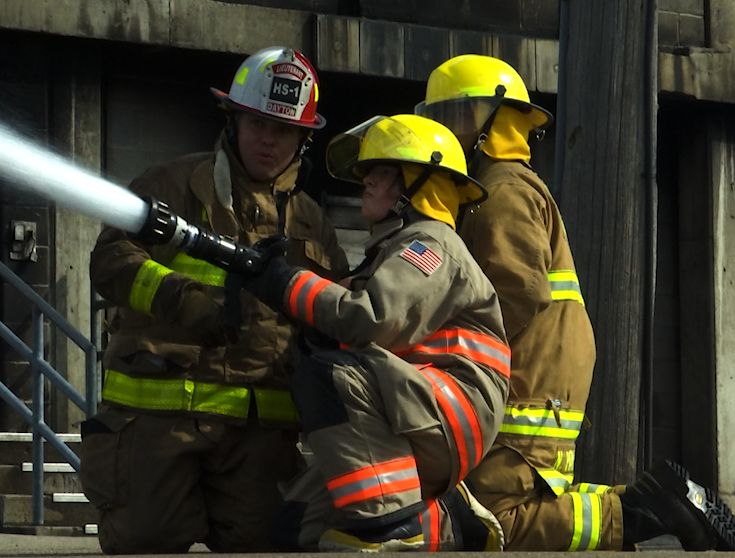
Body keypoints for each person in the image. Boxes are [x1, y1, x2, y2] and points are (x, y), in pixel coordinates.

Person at [417, 53, 735, 551]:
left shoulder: (500, 191)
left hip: (527, 380)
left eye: (455, 116)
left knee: (492, 517)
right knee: (537, 496)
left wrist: (439, 350)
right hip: (540, 378)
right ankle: (653, 503)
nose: (446, 132)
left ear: (490, 120)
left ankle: (643, 513)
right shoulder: (504, 188)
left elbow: (514, 292)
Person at [79, 46, 349, 554]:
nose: (269, 140)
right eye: (257, 123)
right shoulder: (173, 185)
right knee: (147, 540)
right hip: (159, 421)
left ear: (303, 138)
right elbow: (111, 259)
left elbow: (335, 312)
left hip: (259, 436)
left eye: (284, 130)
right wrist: (182, 298)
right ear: (233, 120)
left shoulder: (313, 223)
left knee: (266, 545)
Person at [239, 114, 510, 551]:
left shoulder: (430, 244)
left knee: (327, 375)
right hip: (409, 409)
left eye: (380, 172)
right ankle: (444, 519)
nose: (365, 181)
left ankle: (394, 529)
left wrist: (284, 283)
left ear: (416, 186)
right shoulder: (390, 253)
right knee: (295, 529)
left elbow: (369, 319)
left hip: (450, 412)